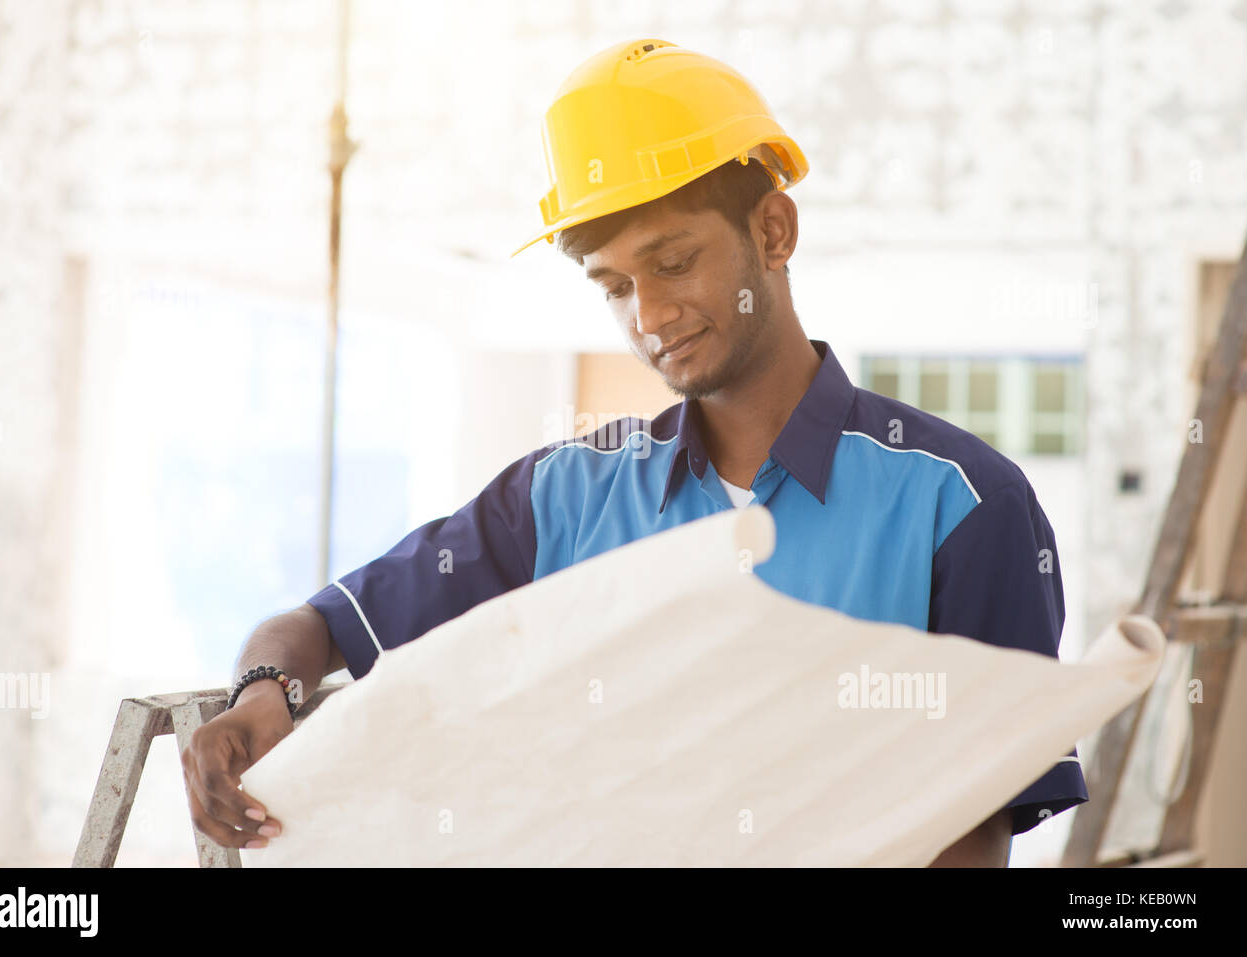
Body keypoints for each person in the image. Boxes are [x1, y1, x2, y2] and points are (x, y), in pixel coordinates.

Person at [183, 38, 1086, 866]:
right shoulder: (562, 498)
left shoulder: (962, 506)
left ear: (773, 232)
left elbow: (974, 835)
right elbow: (321, 626)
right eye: (614, 286)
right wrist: (265, 690)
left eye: (675, 261)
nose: (648, 317)